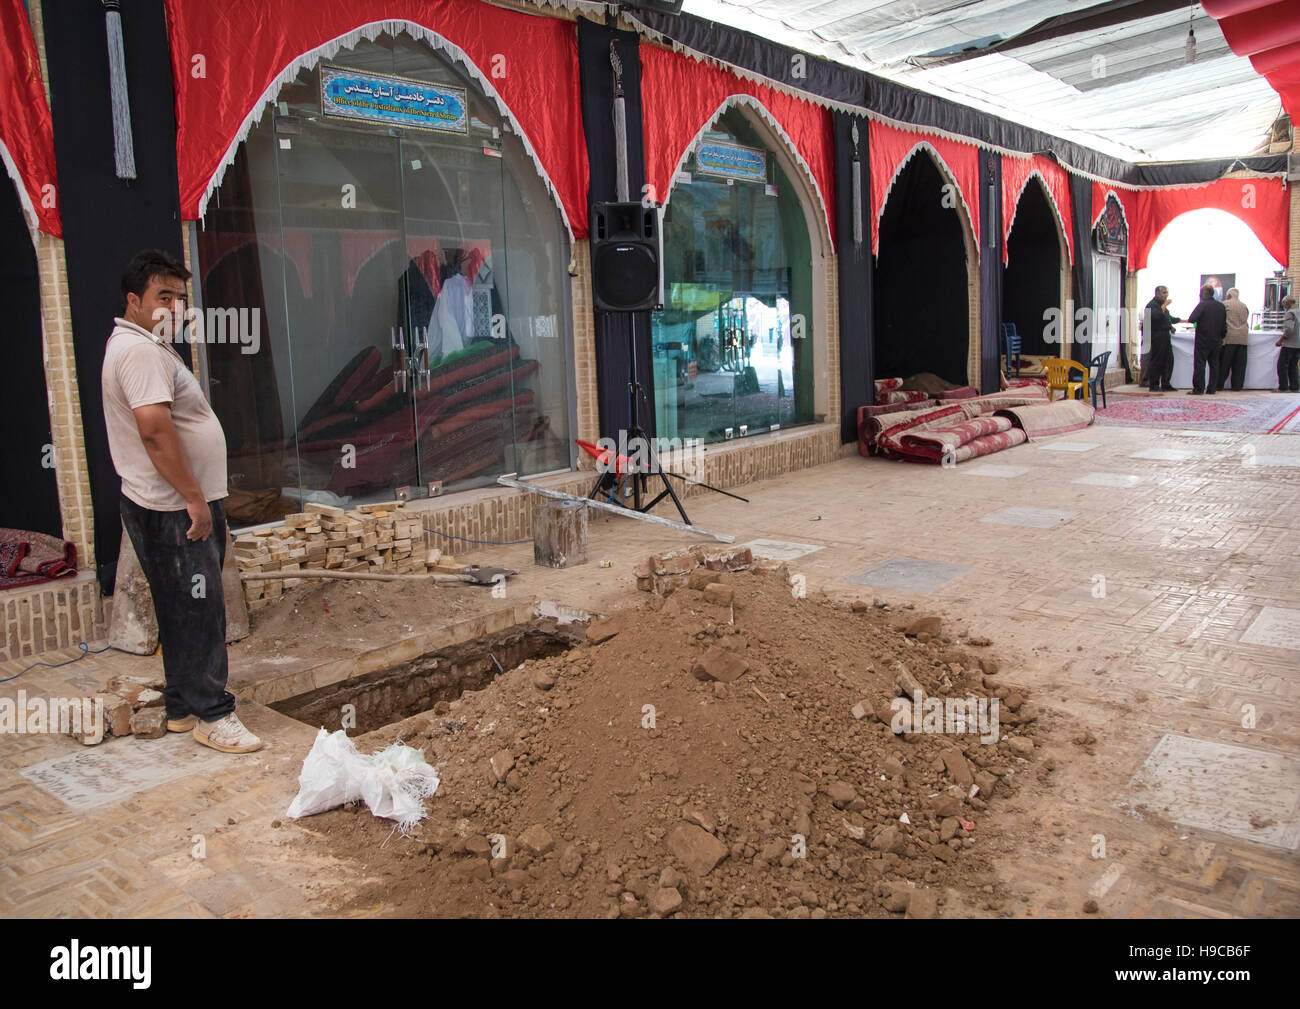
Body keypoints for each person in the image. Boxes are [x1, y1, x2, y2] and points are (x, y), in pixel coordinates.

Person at [101, 250, 262, 754]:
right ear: (134, 300)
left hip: (162, 503)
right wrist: (194, 499)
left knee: (178, 606)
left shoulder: (141, 344)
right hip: (174, 507)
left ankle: (180, 705)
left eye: (180, 298)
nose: (173, 307)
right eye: (162, 297)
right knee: (201, 608)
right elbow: (154, 431)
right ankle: (213, 715)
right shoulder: (142, 352)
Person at [1187, 284, 1227, 395]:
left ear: (1204, 294)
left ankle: (1199, 389)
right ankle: (1212, 389)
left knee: (1200, 364)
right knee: (1214, 365)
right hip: (1216, 340)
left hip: (1203, 340)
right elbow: (1224, 324)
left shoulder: (1202, 305)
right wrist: (1222, 336)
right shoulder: (1221, 306)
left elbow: (1192, 319)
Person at [1143, 285, 1180, 392]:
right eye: (1164, 293)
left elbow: (1167, 318)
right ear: (1158, 294)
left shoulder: (1161, 306)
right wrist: (1164, 305)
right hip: (1157, 336)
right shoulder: (1151, 305)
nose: (1166, 295)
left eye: (1167, 292)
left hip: (1165, 336)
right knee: (1157, 361)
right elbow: (1157, 316)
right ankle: (1154, 385)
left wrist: (1178, 322)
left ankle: (1165, 383)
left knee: (1168, 360)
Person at [1217, 288, 1250, 391]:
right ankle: (1237, 386)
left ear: (1229, 295)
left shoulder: (1224, 304)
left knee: (1224, 364)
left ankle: (1219, 385)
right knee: (1239, 365)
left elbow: (1221, 320)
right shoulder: (1244, 306)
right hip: (1242, 338)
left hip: (1229, 338)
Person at [1276, 295, 1299, 393]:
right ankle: (1294, 386)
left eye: (1284, 303)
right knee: (1293, 365)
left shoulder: (1290, 313)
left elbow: (1289, 329)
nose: (1283, 306)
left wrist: (1281, 340)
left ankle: (1283, 387)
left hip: (1289, 344)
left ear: (1288, 303)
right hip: (1298, 344)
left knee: (1282, 365)